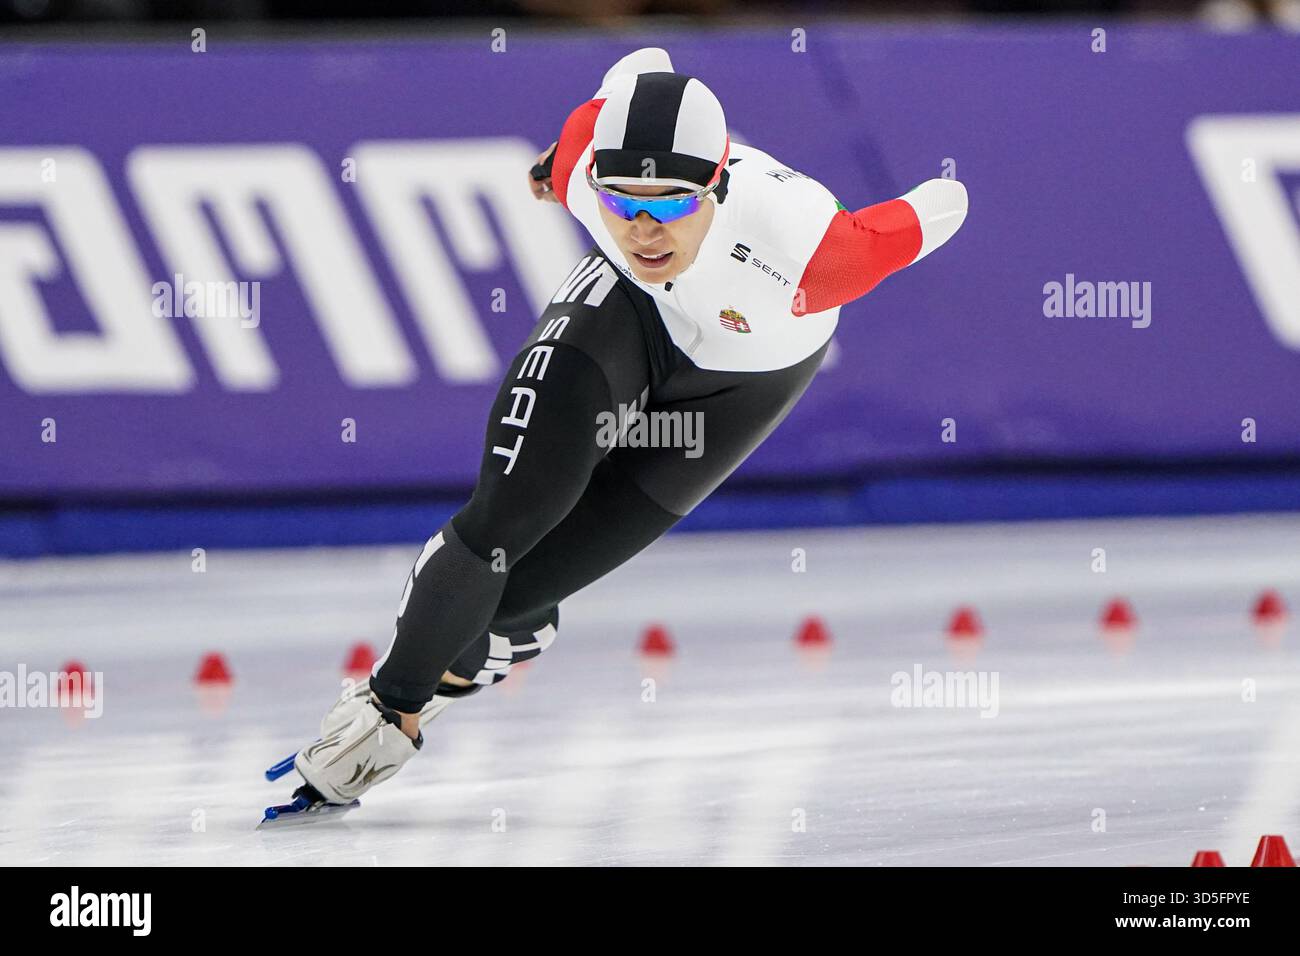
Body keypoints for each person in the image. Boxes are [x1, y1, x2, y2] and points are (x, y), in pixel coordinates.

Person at [280, 47, 969, 813]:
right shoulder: (583, 165)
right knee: (507, 520)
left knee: (514, 603)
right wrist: (397, 694)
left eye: (671, 203)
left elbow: (933, 212)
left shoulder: (814, 252)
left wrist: (960, 185)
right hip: (626, 313)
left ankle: (464, 660)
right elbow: (629, 77)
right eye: (622, 202)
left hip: (744, 380)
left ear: (719, 184)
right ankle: (390, 710)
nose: (644, 227)